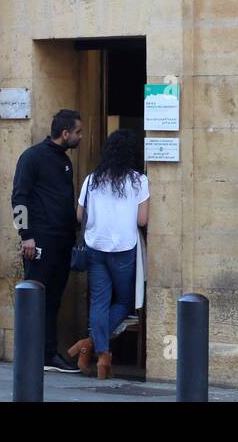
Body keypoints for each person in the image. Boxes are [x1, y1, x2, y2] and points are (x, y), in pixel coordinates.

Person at [67, 128, 149, 380]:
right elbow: (142, 220)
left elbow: (80, 216)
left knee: (99, 301)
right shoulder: (139, 181)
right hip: (124, 249)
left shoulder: (91, 179)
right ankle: (95, 348)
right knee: (125, 303)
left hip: (95, 246)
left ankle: (97, 350)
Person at [11, 108, 82, 373]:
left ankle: (47, 354)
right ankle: (31, 354)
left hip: (63, 241)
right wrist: (26, 236)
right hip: (39, 241)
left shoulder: (65, 161)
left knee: (53, 299)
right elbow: (19, 198)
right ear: (65, 133)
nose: (80, 137)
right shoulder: (32, 158)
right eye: (78, 132)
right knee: (34, 298)